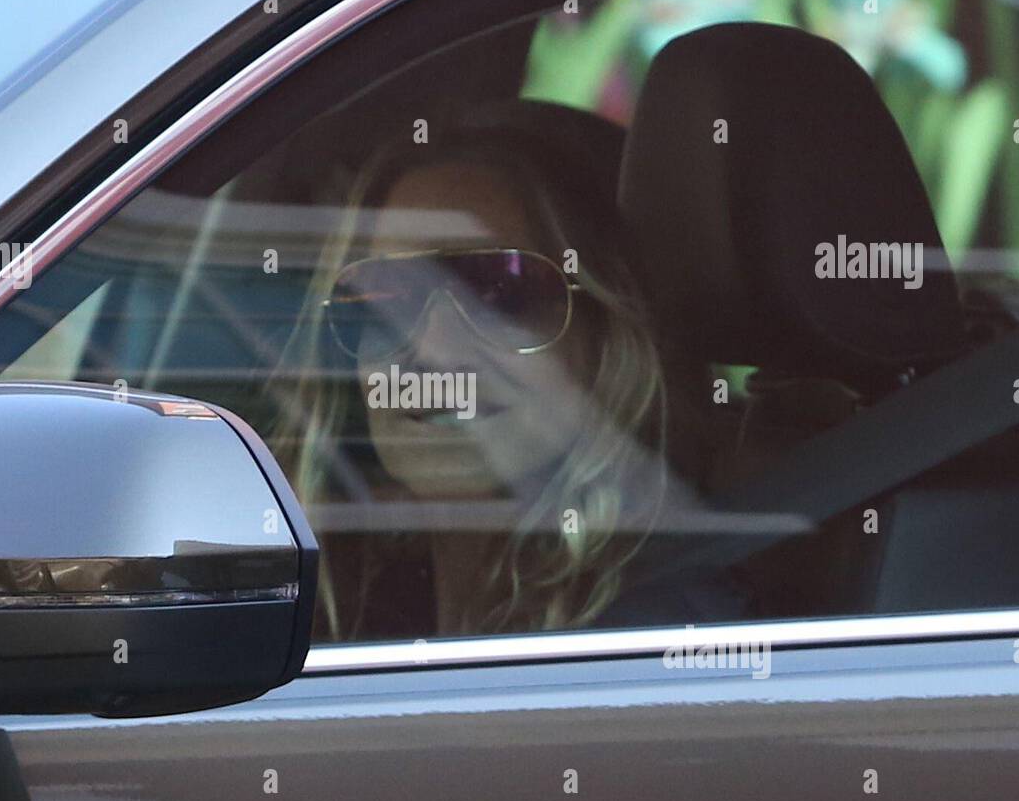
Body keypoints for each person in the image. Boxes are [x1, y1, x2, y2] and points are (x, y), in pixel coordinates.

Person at [268, 114, 736, 641]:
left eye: (504, 293)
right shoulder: (346, 605)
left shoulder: (653, 640)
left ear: (606, 344)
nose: (434, 351)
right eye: (386, 298)